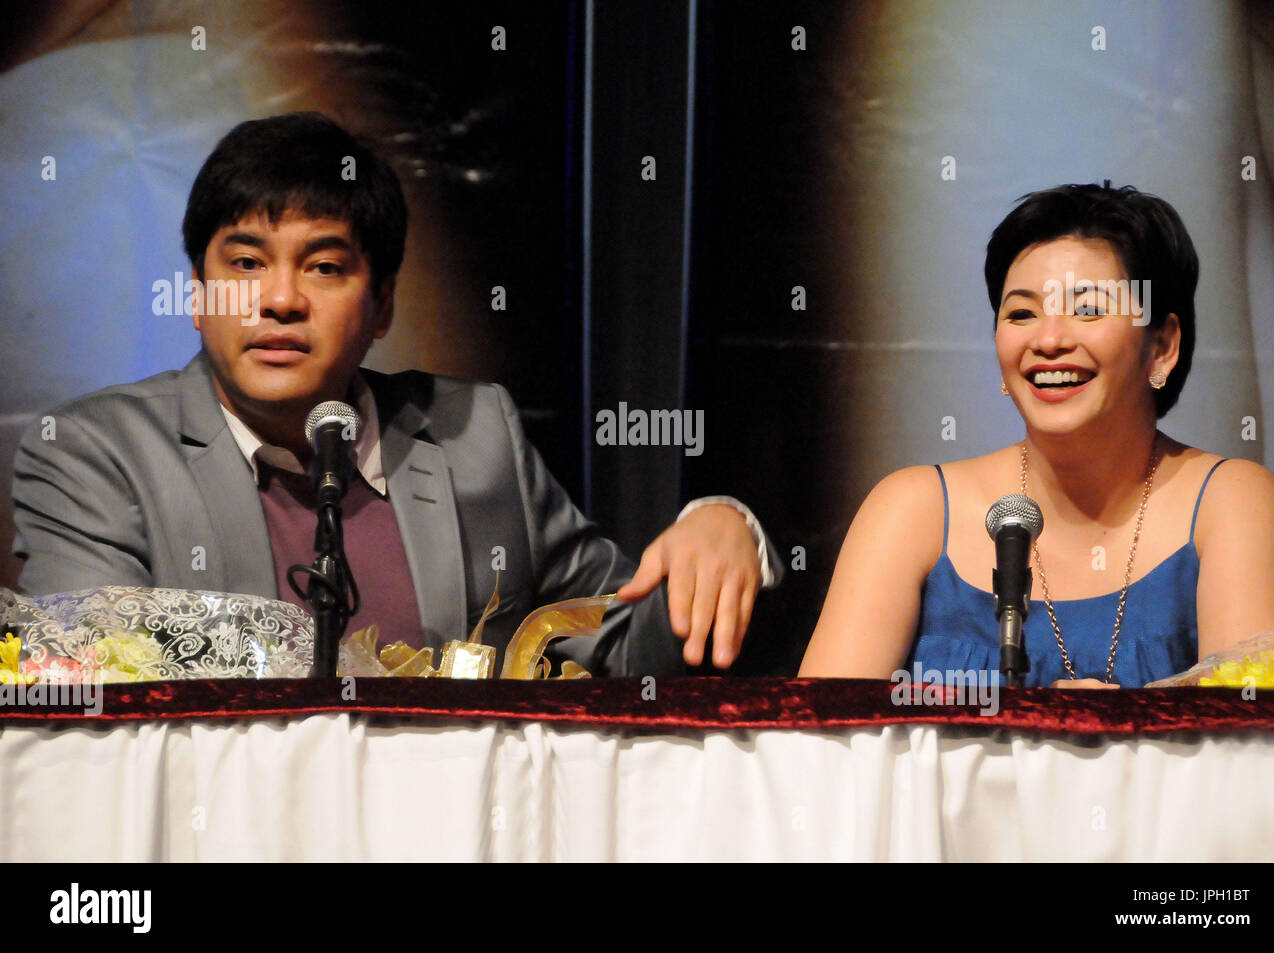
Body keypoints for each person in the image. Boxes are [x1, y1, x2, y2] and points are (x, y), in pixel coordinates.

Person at [10, 112, 780, 677]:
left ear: (381, 305)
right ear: (196, 293)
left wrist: (719, 534)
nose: (279, 300)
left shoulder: (475, 436)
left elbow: (617, 651)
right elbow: (85, 683)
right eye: (246, 264)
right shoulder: (94, 455)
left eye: (323, 266)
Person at [800, 183, 1274, 687]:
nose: (1049, 340)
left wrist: (1120, 736)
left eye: (1088, 310)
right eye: (1022, 313)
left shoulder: (1230, 500)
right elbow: (819, 744)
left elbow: (1248, 741)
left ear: (1162, 347)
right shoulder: (912, 509)